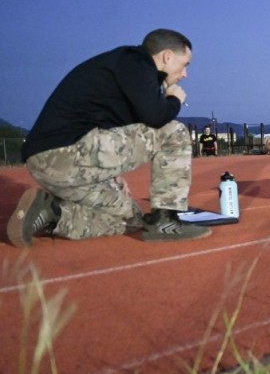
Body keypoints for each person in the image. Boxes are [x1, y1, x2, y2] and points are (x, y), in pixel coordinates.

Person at [7, 29, 210, 246]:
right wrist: (173, 99)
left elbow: (114, 128)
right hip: (64, 151)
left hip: (54, 164)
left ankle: (52, 214)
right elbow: (156, 117)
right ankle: (166, 221)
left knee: (132, 220)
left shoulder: (125, 72)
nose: (185, 74)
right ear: (167, 56)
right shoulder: (136, 62)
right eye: (185, 64)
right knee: (174, 132)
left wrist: (110, 173)